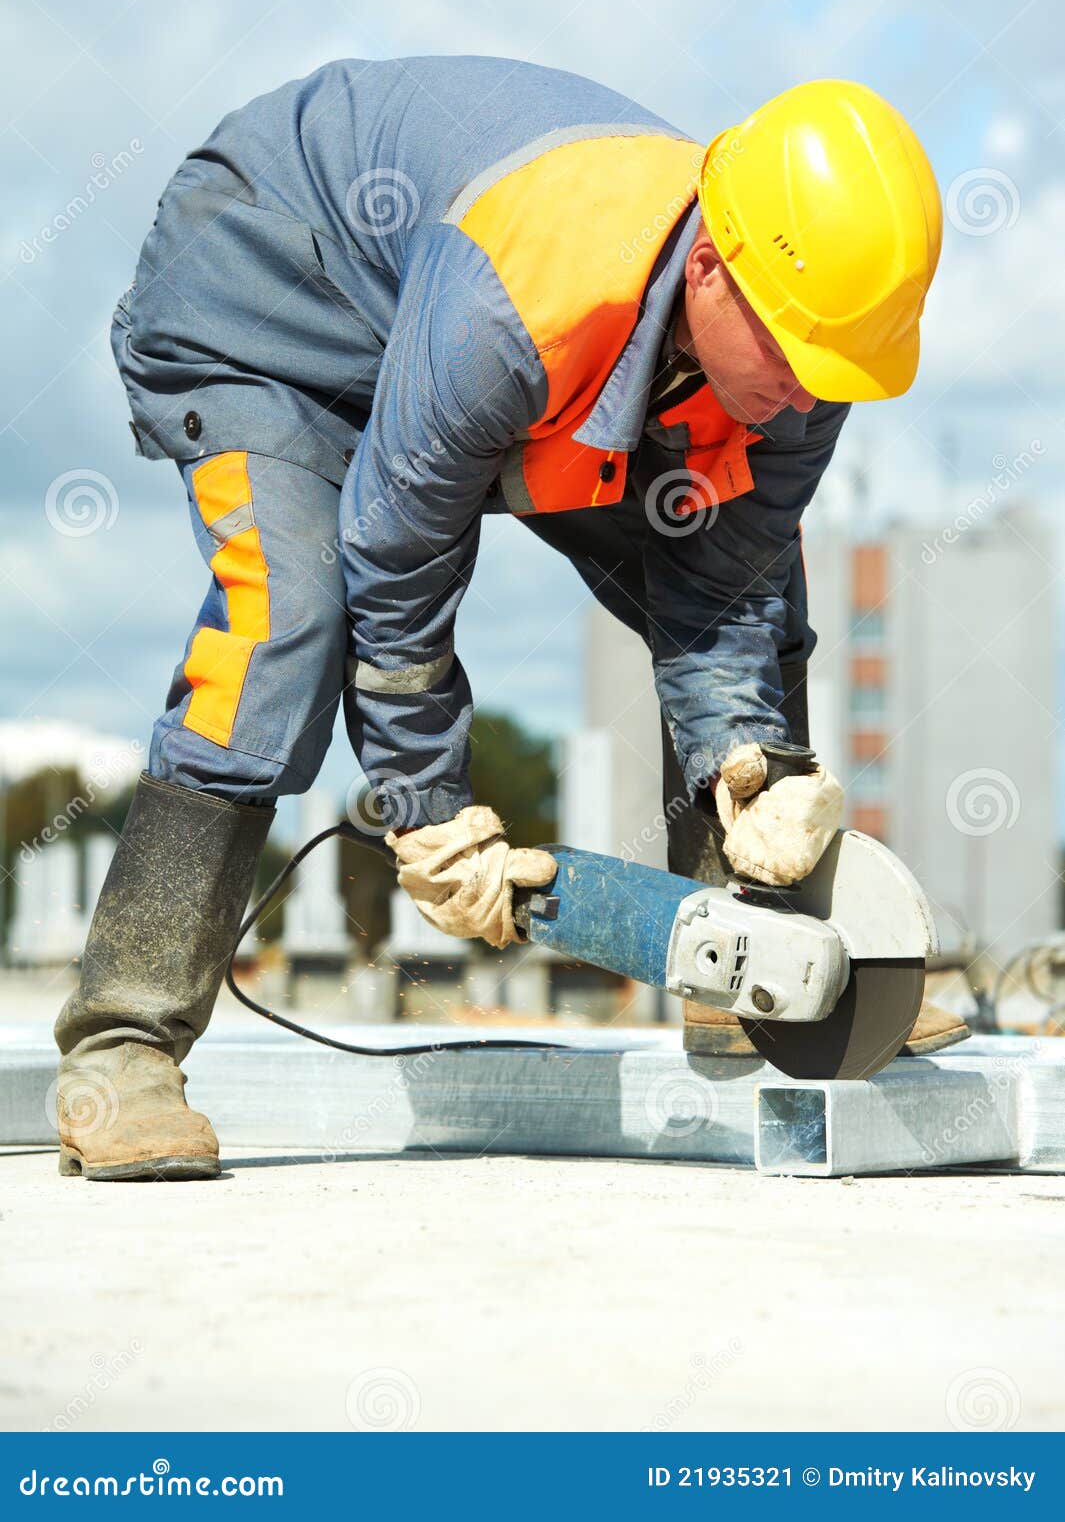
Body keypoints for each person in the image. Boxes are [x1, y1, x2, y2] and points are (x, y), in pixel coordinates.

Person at [54, 58, 960, 1182]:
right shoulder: (518, 298)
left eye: (835, 372)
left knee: (761, 615)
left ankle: (758, 972)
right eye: (788, 356)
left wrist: (751, 761)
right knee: (291, 619)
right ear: (718, 270)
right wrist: (428, 809)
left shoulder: (805, 364)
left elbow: (722, 581)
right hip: (268, 306)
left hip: (452, 352)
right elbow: (399, 549)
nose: (805, 393)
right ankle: (123, 1041)